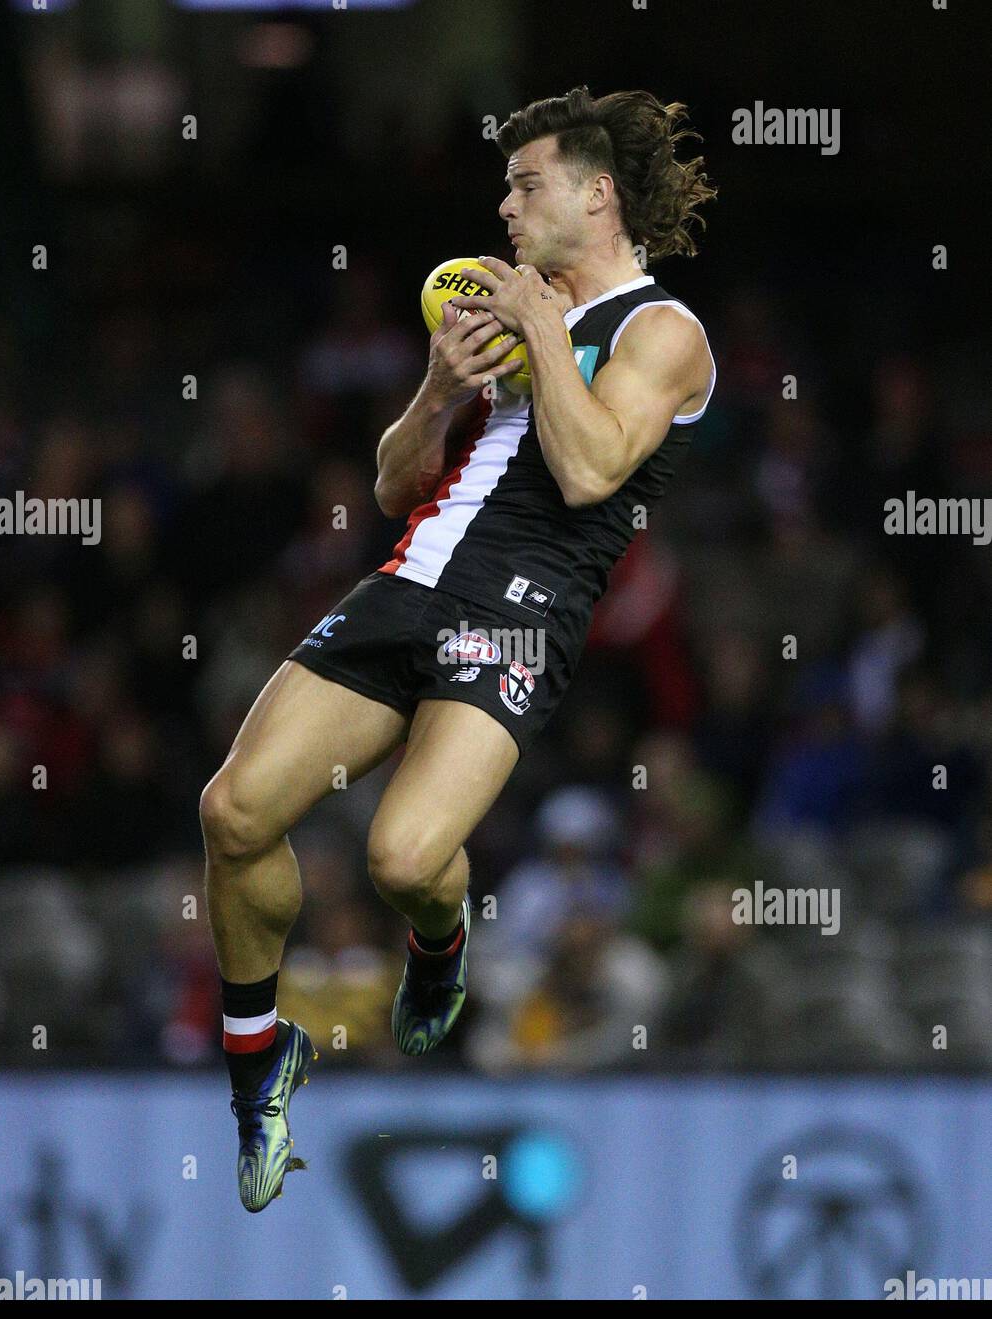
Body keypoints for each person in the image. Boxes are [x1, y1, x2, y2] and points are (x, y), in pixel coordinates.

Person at [199, 84, 717, 1211]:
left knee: (399, 859)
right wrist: (440, 387)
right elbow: (394, 486)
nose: (506, 203)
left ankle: (439, 939)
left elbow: (587, 474)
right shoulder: (504, 318)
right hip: (411, 581)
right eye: (505, 184)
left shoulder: (660, 332)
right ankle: (258, 1056)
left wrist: (539, 326)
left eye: (527, 184)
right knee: (233, 811)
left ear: (597, 193)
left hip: (519, 611)